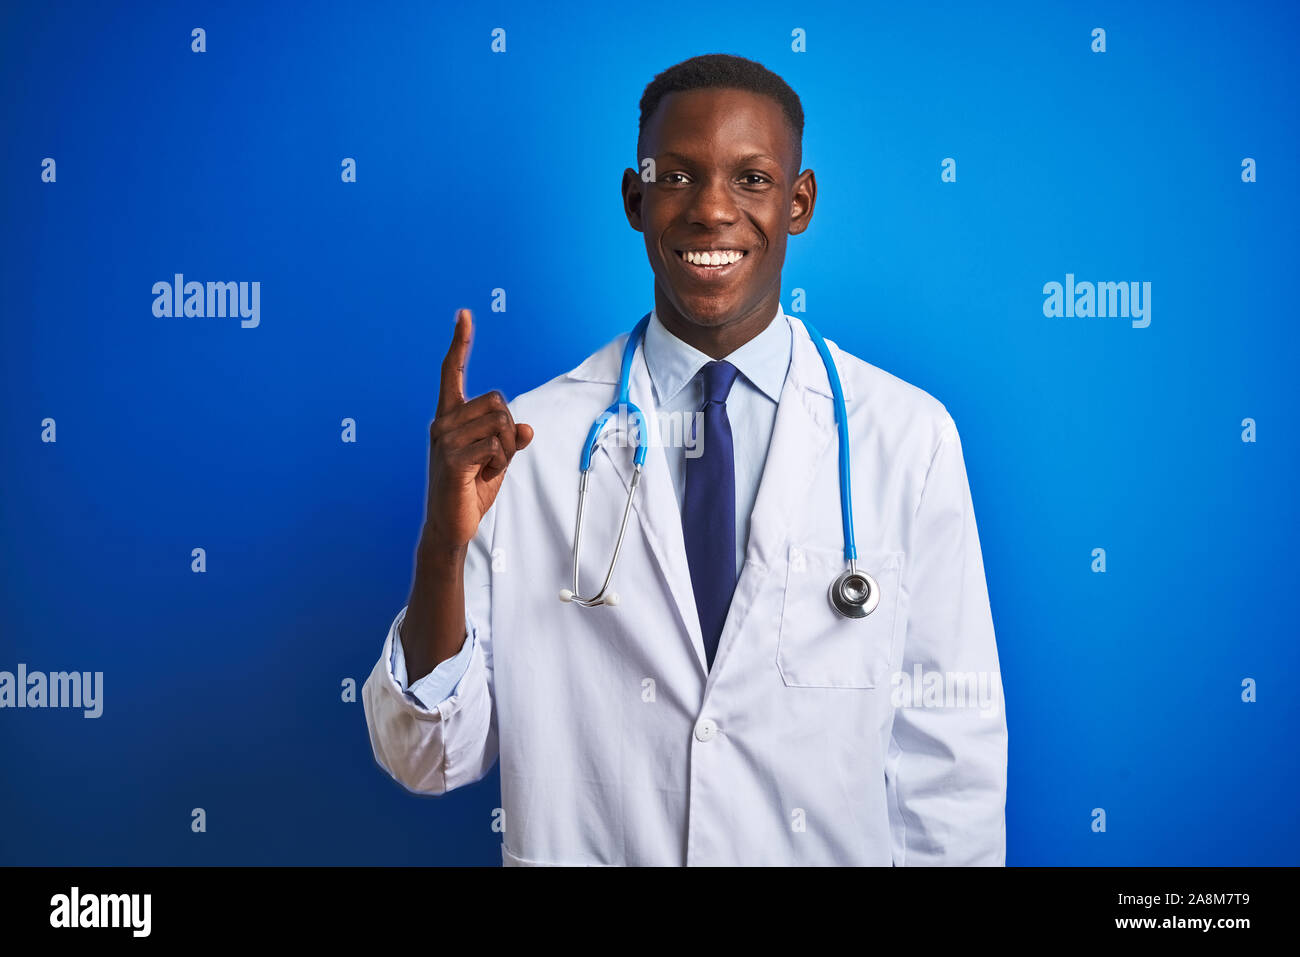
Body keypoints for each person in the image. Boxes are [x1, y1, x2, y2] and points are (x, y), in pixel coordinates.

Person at [362, 53, 1007, 866]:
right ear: (635, 200)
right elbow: (428, 758)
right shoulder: (528, 445)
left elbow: (951, 766)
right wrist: (440, 548)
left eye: (752, 179)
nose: (711, 210)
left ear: (799, 202)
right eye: (676, 177)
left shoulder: (907, 438)